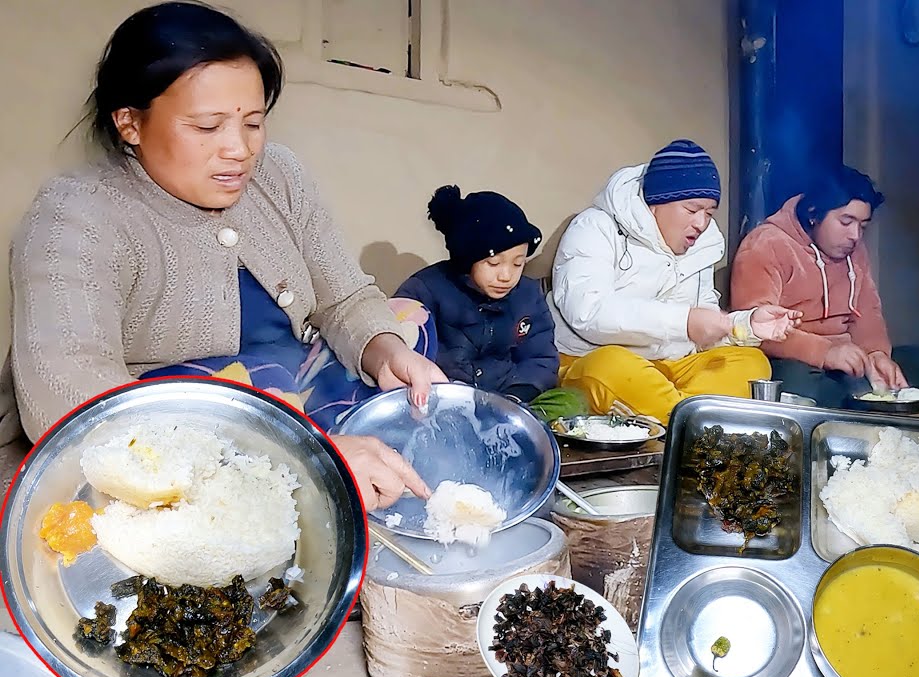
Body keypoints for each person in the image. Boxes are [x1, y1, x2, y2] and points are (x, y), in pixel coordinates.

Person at [0, 1, 445, 508]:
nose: (239, 149)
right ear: (129, 122)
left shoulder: (279, 175)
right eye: (208, 127)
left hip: (294, 386)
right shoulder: (77, 213)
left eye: (253, 123)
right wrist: (302, 451)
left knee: (410, 325)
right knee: (263, 396)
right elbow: (67, 395)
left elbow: (342, 296)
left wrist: (383, 350)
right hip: (178, 428)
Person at [549, 139, 800, 422]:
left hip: (673, 368)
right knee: (607, 368)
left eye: (709, 212)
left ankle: (675, 417)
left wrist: (745, 325)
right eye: (692, 210)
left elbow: (705, 327)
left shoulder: (702, 244)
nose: (701, 223)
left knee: (751, 363)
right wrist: (685, 321)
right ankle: (695, 424)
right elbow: (589, 313)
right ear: (656, 202)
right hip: (595, 358)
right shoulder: (595, 228)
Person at [730, 166, 919, 407]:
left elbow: (867, 311)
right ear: (813, 213)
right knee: (804, 385)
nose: (855, 236)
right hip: (792, 359)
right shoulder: (766, 244)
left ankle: (857, 398)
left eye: (863, 226)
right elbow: (755, 328)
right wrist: (825, 353)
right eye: (846, 222)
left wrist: (876, 354)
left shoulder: (854, 250)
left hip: (846, 358)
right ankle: (856, 402)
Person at [395, 185, 557, 402]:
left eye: (518, 264)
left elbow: (540, 357)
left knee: (569, 401)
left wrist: (516, 397)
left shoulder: (527, 295)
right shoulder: (424, 290)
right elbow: (404, 354)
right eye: (494, 263)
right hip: (444, 398)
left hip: (508, 396)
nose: (506, 275)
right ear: (466, 258)